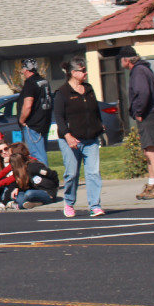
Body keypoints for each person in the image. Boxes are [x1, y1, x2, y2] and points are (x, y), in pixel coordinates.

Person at [53, 56, 106, 217]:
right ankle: (69, 202)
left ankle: (95, 205)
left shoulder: (89, 89)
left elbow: (95, 111)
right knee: (72, 174)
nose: (86, 73)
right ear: (73, 72)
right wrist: (68, 136)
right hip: (71, 140)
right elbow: (59, 117)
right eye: (82, 71)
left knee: (93, 173)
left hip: (90, 139)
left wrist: (100, 128)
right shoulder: (62, 93)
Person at [121, 47, 154, 200]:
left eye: (121, 59)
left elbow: (144, 92)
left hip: (149, 115)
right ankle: (152, 184)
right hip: (151, 114)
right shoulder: (145, 69)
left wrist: (139, 112)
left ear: (127, 60)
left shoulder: (139, 71)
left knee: (151, 150)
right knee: (147, 150)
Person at [16, 58, 53, 165]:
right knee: (42, 152)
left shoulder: (30, 84)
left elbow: (28, 105)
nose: (22, 71)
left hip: (33, 125)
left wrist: (22, 120)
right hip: (44, 122)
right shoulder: (43, 81)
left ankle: (44, 180)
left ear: (26, 69)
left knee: (37, 156)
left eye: (23, 68)